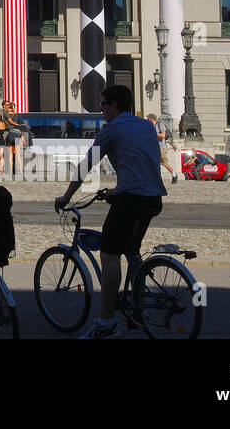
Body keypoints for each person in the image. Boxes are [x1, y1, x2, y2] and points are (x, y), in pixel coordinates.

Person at [55, 84, 168, 339]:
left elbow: (87, 164)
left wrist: (66, 196)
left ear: (115, 106)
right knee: (133, 252)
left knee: (109, 254)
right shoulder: (146, 126)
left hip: (131, 199)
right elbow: (140, 162)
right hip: (153, 198)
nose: (101, 109)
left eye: (104, 104)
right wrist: (118, 188)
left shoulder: (112, 128)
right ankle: (138, 313)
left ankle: (106, 322)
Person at [146, 114, 178, 185]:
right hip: (153, 147)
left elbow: (163, 135)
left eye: (148, 118)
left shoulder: (160, 124)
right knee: (153, 163)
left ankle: (174, 174)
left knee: (164, 163)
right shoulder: (150, 126)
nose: (147, 119)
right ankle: (156, 178)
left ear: (151, 119)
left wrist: (153, 133)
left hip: (161, 147)